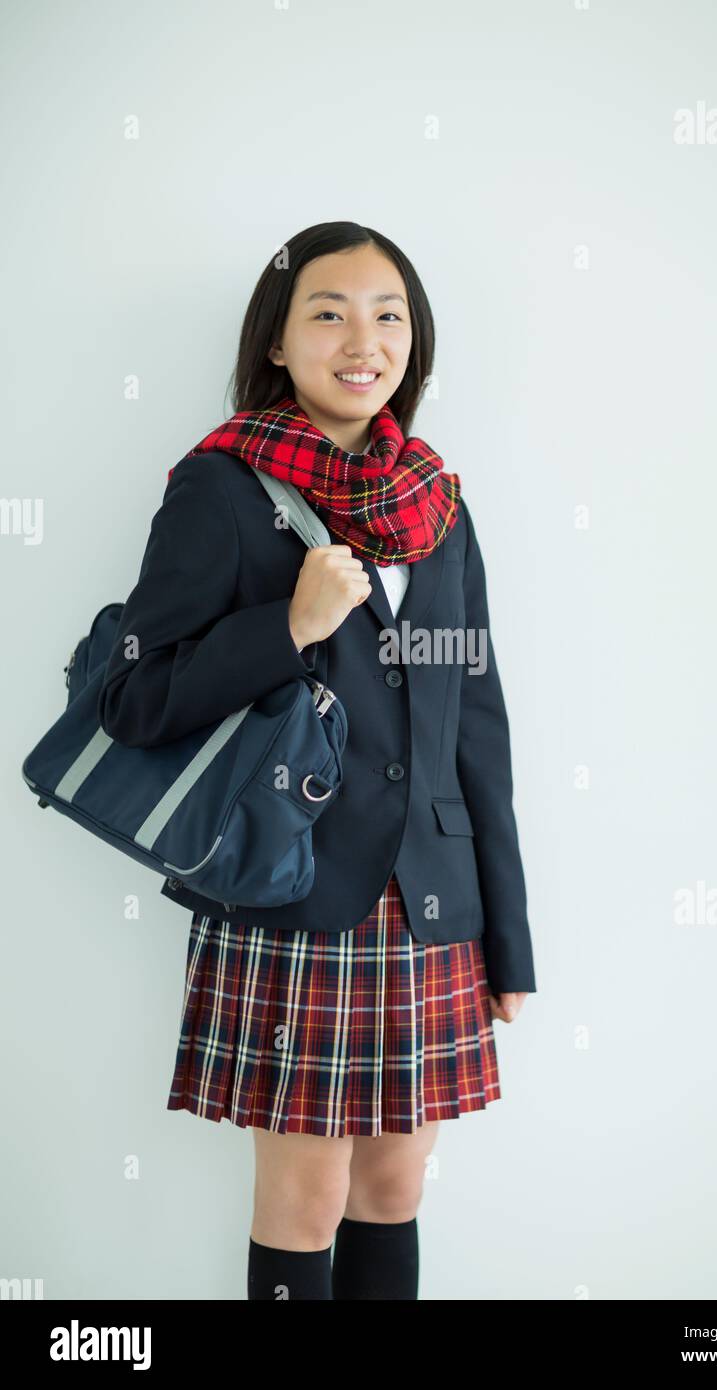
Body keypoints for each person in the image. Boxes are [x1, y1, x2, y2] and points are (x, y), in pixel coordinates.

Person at [97, 222, 537, 1300]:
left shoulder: (439, 506)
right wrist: (286, 625)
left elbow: (472, 719)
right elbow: (133, 696)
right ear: (279, 343)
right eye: (328, 312)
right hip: (290, 890)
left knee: (395, 1187)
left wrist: (510, 934)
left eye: (388, 314)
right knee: (301, 1201)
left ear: (412, 344)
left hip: (431, 901)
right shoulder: (220, 489)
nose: (362, 337)